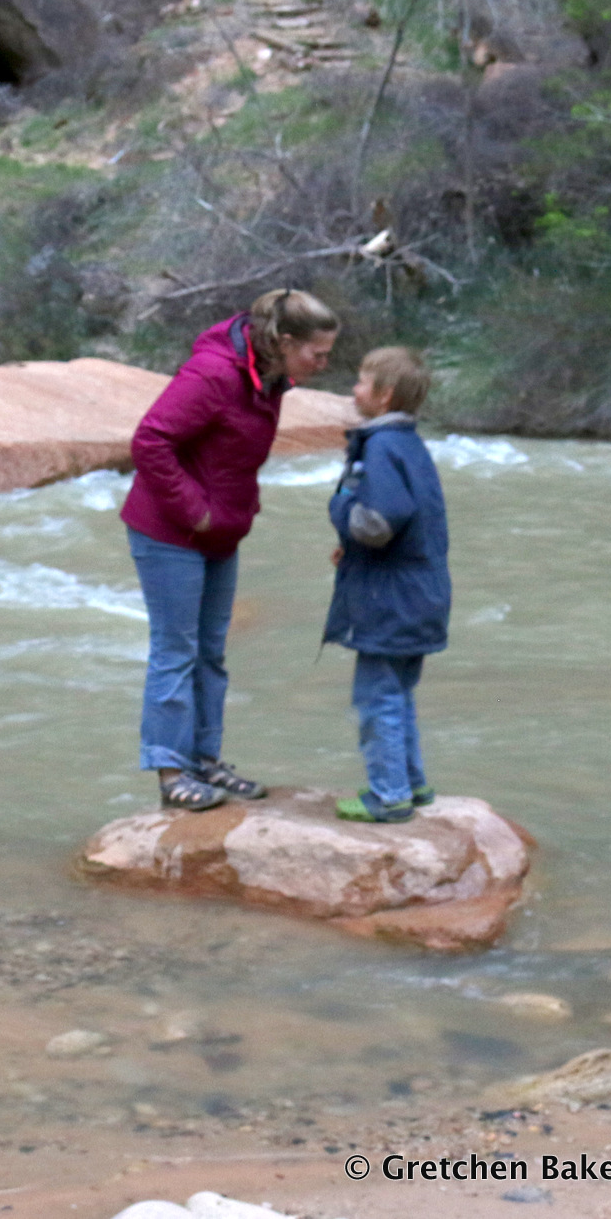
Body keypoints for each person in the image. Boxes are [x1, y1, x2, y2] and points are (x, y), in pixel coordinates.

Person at [122, 288, 340, 810]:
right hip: (169, 530)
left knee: (211, 652)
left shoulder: (270, 379)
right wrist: (196, 510)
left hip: (220, 531)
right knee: (176, 650)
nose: (324, 364)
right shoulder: (214, 374)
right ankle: (171, 773)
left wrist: (227, 515)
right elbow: (150, 440)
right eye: (317, 353)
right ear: (284, 341)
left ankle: (204, 762)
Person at [324, 347, 450, 824]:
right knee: (398, 692)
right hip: (420, 592)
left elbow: (378, 522)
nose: (354, 389)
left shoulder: (380, 447)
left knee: (377, 697)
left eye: (361, 380)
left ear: (384, 394)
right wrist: (351, 547)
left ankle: (389, 794)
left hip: (390, 600)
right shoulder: (409, 444)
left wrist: (341, 512)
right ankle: (411, 784)